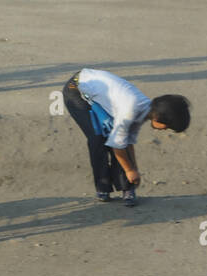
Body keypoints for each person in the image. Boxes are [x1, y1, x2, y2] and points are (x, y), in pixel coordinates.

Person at [61, 69, 190, 206]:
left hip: (96, 92)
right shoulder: (130, 110)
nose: (165, 129)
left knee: (118, 139)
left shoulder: (146, 108)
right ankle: (102, 188)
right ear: (158, 117)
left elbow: (127, 142)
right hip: (76, 90)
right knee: (97, 139)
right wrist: (130, 170)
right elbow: (117, 145)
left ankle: (127, 189)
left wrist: (134, 168)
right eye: (167, 126)